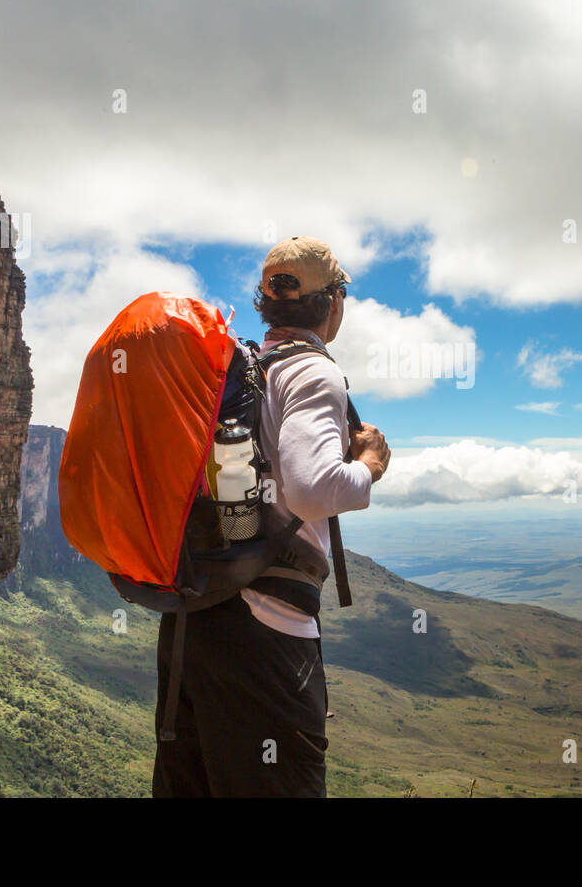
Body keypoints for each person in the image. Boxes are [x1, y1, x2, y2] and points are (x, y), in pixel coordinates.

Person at [151, 236, 390, 797]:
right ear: (332, 303)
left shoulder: (230, 375)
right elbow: (312, 490)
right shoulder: (310, 372)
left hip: (192, 621)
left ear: (264, 304)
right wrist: (370, 467)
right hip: (268, 629)